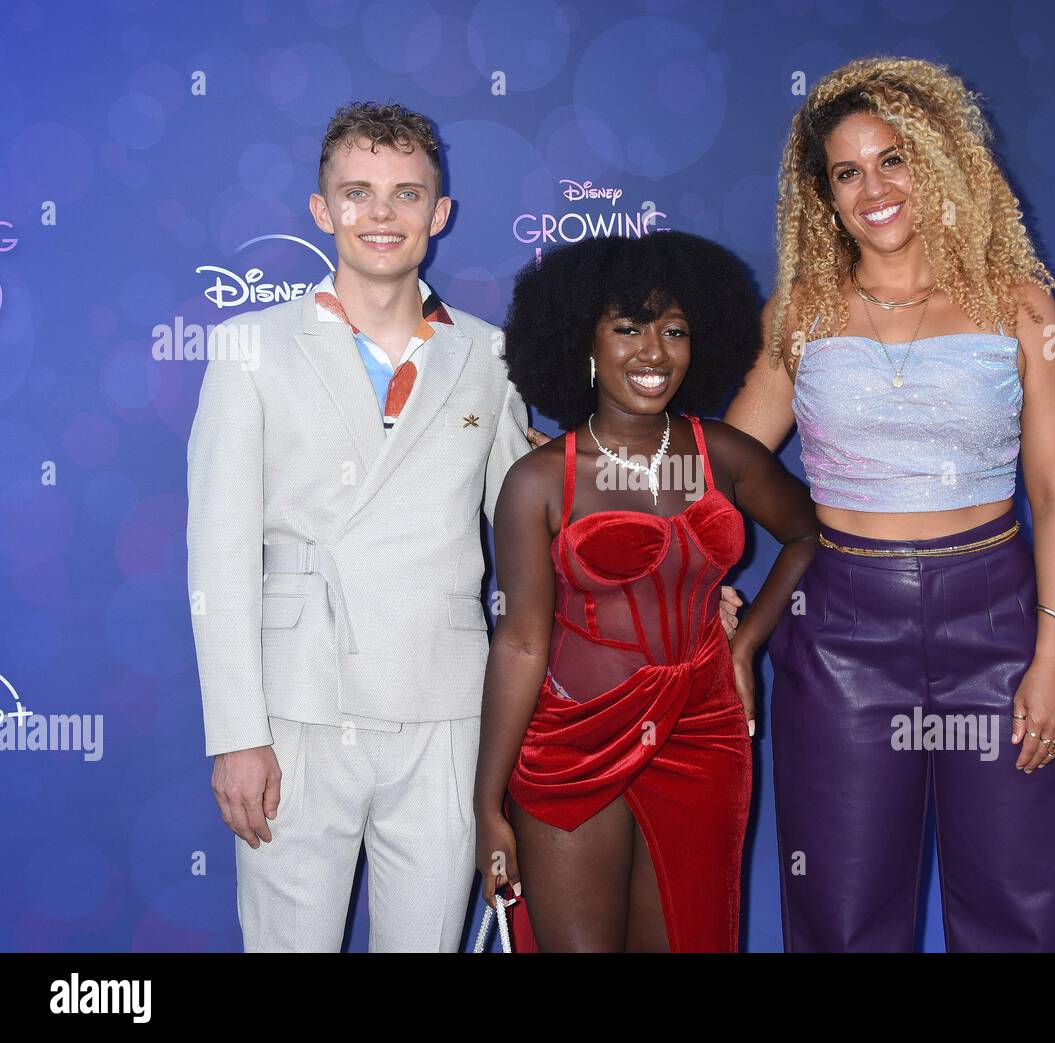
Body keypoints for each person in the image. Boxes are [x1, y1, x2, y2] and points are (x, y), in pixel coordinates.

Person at [723, 57, 1055, 951]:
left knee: (1030, 908)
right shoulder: (802, 313)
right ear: (825, 195)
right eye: (847, 172)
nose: (874, 188)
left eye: (892, 159)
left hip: (1001, 622)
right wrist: (700, 574)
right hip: (842, 631)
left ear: (934, 161)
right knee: (844, 914)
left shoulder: (1019, 304)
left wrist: (1054, 650)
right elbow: (724, 471)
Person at [187, 101, 547, 951]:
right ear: (322, 211)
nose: (381, 214)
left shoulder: (492, 357)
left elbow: (535, 525)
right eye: (357, 193)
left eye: (406, 193)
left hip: (446, 709)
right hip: (297, 708)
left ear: (439, 213)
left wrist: (677, 573)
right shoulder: (251, 349)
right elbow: (219, 554)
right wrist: (238, 733)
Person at [472, 231, 819, 952]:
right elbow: (522, 641)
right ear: (585, 341)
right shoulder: (539, 482)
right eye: (628, 327)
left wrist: (745, 645)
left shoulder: (723, 454)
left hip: (703, 736)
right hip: (571, 743)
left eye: (674, 330)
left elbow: (809, 532)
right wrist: (486, 803)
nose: (653, 352)